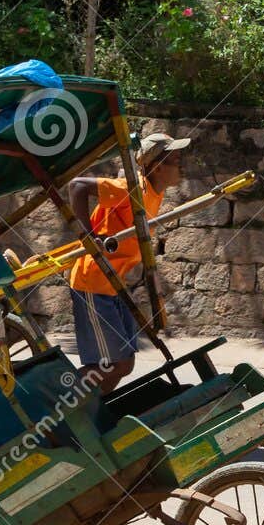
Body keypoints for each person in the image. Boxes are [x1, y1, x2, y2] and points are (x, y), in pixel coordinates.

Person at [67, 132, 186, 394]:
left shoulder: (154, 192)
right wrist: (87, 236)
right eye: (176, 159)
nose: (182, 165)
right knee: (114, 363)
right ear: (156, 166)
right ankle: (56, 404)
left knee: (125, 364)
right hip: (94, 281)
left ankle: (92, 413)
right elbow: (77, 186)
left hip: (113, 284)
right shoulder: (134, 189)